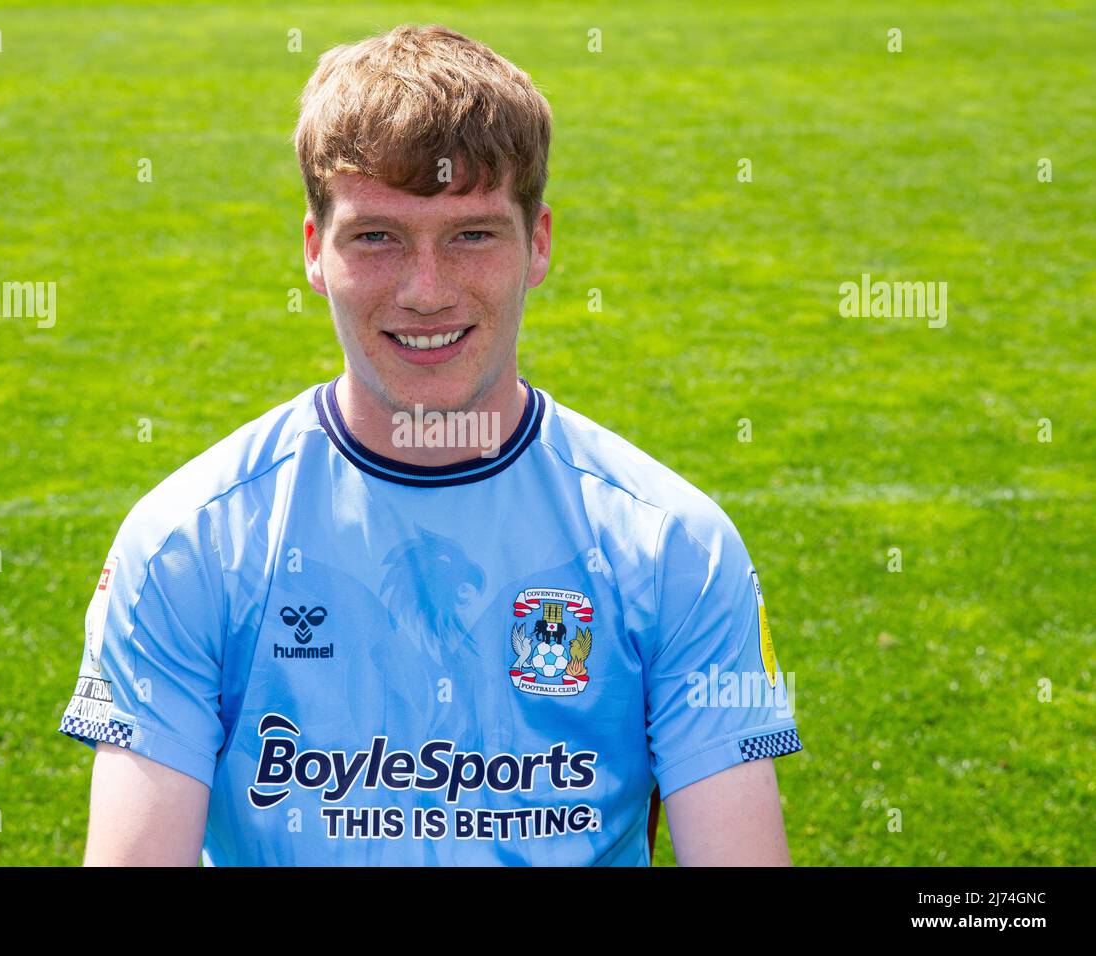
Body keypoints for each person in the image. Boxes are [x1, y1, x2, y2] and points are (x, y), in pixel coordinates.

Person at [58, 23, 803, 866]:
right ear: (314, 251)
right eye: (376, 236)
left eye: (472, 235)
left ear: (541, 244)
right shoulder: (186, 545)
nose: (425, 291)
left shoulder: (676, 546)